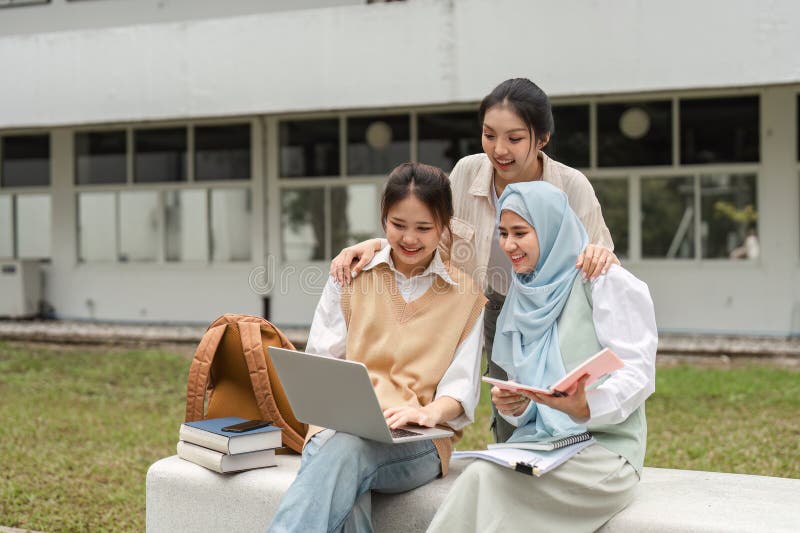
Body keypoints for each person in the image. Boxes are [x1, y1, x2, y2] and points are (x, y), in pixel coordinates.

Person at [331, 78, 619, 442]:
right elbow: (431, 226)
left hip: (551, 314)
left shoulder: (570, 186)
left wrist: (600, 254)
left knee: (551, 411)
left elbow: (606, 261)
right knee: (508, 409)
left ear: (542, 139)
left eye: (514, 139)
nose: (499, 150)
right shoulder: (467, 172)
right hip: (486, 305)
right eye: (489, 135)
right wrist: (377, 243)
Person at [267, 163, 487, 533]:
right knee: (346, 462)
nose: (410, 239)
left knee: (344, 455)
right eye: (398, 225)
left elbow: (461, 392)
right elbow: (322, 361)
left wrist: (430, 413)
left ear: (445, 225)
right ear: (383, 219)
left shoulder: (466, 297)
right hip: (338, 430)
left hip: (417, 442)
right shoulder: (350, 276)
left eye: (424, 228)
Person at [426, 181, 657, 533]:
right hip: (541, 448)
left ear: (552, 229)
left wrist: (587, 406)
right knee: (479, 478)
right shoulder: (520, 297)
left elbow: (638, 373)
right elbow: (534, 402)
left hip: (603, 453)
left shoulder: (603, 281)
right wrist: (517, 405)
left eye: (520, 232)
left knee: (489, 486)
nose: (508, 245)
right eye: (503, 233)